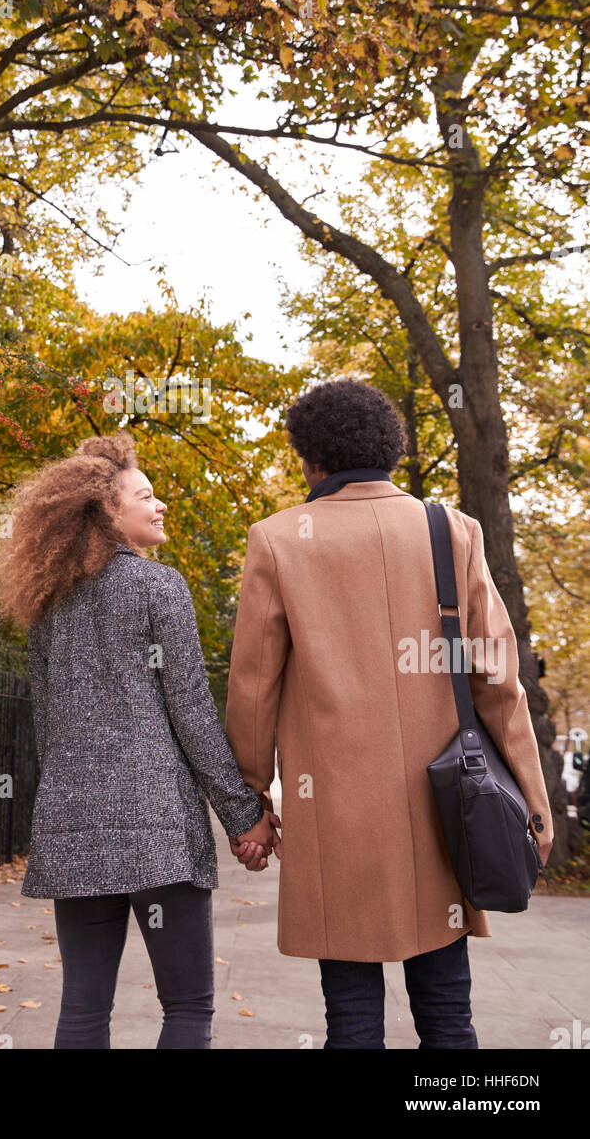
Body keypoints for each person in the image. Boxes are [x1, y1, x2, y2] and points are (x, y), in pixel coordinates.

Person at [224, 377, 554, 1049]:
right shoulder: (451, 530)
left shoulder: (280, 538)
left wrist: (252, 796)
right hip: (446, 805)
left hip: (335, 814)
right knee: (448, 1012)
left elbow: (252, 690)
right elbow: (498, 680)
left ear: (311, 458)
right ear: (392, 448)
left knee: (349, 1014)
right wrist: (534, 805)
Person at [0, 431, 276, 1049]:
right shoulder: (158, 586)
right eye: (145, 496)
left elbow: (48, 726)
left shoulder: (47, 605)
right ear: (106, 512)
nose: (160, 504)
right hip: (158, 822)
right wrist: (243, 815)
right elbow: (193, 713)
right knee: (189, 1007)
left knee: (84, 1009)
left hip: (74, 822)